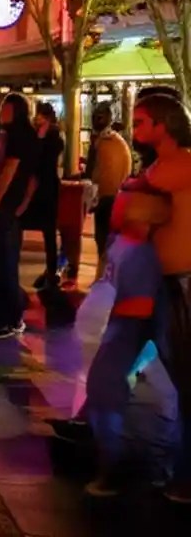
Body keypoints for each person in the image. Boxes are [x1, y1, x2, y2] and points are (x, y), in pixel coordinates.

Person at [82, 186, 170, 496]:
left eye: (129, 197)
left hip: (121, 332)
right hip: (112, 332)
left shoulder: (142, 254)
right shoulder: (121, 243)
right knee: (103, 395)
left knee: (107, 395)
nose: (121, 201)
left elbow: (139, 307)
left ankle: (113, 472)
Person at [130, 93, 191, 503]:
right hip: (163, 281)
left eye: (139, 122)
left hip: (181, 284)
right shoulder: (162, 166)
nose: (133, 130)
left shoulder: (178, 165)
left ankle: (185, 477)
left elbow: (134, 203)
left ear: (162, 126)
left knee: (186, 378)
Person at [0, 93, 41, 339]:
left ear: (16, 111)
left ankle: (11, 319)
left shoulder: (17, 139)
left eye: (5, 108)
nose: (0, 112)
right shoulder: (26, 137)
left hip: (2, 209)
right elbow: (33, 180)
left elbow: (7, 180)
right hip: (8, 208)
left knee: (3, 266)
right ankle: (5, 316)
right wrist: (21, 205)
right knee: (1, 265)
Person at [87, 102, 133, 278]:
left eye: (100, 117)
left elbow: (93, 172)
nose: (97, 120)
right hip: (118, 195)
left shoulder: (102, 142)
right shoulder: (118, 141)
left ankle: (104, 277)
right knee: (111, 240)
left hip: (107, 196)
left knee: (104, 239)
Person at [22, 102, 65, 290]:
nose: (37, 119)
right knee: (45, 230)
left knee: (48, 230)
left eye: (40, 115)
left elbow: (40, 160)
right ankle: (51, 269)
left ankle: (51, 270)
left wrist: (39, 137)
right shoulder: (39, 134)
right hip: (42, 187)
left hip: (44, 187)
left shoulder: (53, 137)